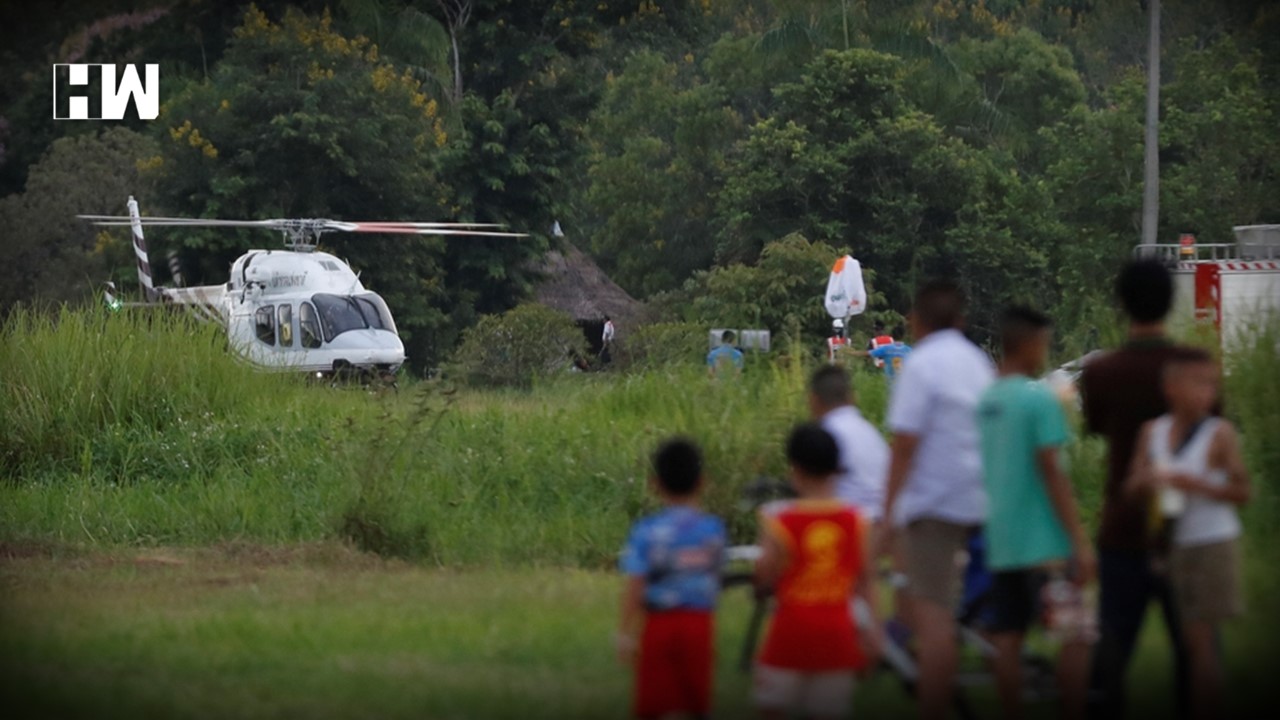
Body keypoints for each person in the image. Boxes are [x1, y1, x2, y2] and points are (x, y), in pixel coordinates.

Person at [1080, 259, 1195, 718]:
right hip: (1186, 524)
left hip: (1123, 520)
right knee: (1196, 648)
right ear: (1172, 301)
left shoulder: (1102, 372)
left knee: (1112, 644)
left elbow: (1097, 426)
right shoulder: (1194, 368)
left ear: (1122, 304)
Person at [877, 279, 995, 720]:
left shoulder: (922, 364)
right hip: (981, 499)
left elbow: (904, 444)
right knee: (977, 607)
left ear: (917, 322)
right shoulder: (978, 361)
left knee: (934, 622)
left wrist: (888, 513)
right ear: (960, 320)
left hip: (936, 505)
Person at [977, 307, 1097, 720]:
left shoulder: (985, 402)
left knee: (1008, 635)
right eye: (1044, 344)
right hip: (1046, 544)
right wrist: (1078, 540)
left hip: (1003, 541)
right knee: (1076, 634)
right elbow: (1052, 472)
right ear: (1029, 344)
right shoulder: (1039, 400)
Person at [1124, 348, 1250, 720]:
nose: (1207, 393)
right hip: (1175, 543)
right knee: (1195, 643)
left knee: (1201, 641)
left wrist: (1195, 484)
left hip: (1213, 542)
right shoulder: (1153, 432)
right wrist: (1148, 480)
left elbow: (1242, 492)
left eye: (1212, 385)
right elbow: (1130, 487)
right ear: (1171, 387)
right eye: (1199, 383)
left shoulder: (1219, 433)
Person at [754, 423, 882, 720]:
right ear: (837, 469)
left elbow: (764, 573)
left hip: (789, 636)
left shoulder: (779, 521)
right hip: (837, 639)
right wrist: (874, 632)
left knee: (772, 709)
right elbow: (867, 582)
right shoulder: (857, 521)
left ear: (794, 468)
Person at [617, 438, 727, 720]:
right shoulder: (713, 531)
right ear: (702, 482)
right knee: (696, 702)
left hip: (658, 624)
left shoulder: (647, 531)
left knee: (653, 705)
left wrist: (626, 632)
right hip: (699, 623)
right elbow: (717, 577)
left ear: (655, 484)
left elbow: (636, 584)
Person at [808, 366, 887, 522]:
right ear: (852, 398)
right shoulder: (869, 432)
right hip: (884, 521)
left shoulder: (826, 434)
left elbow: (814, 492)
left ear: (813, 401)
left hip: (851, 524)